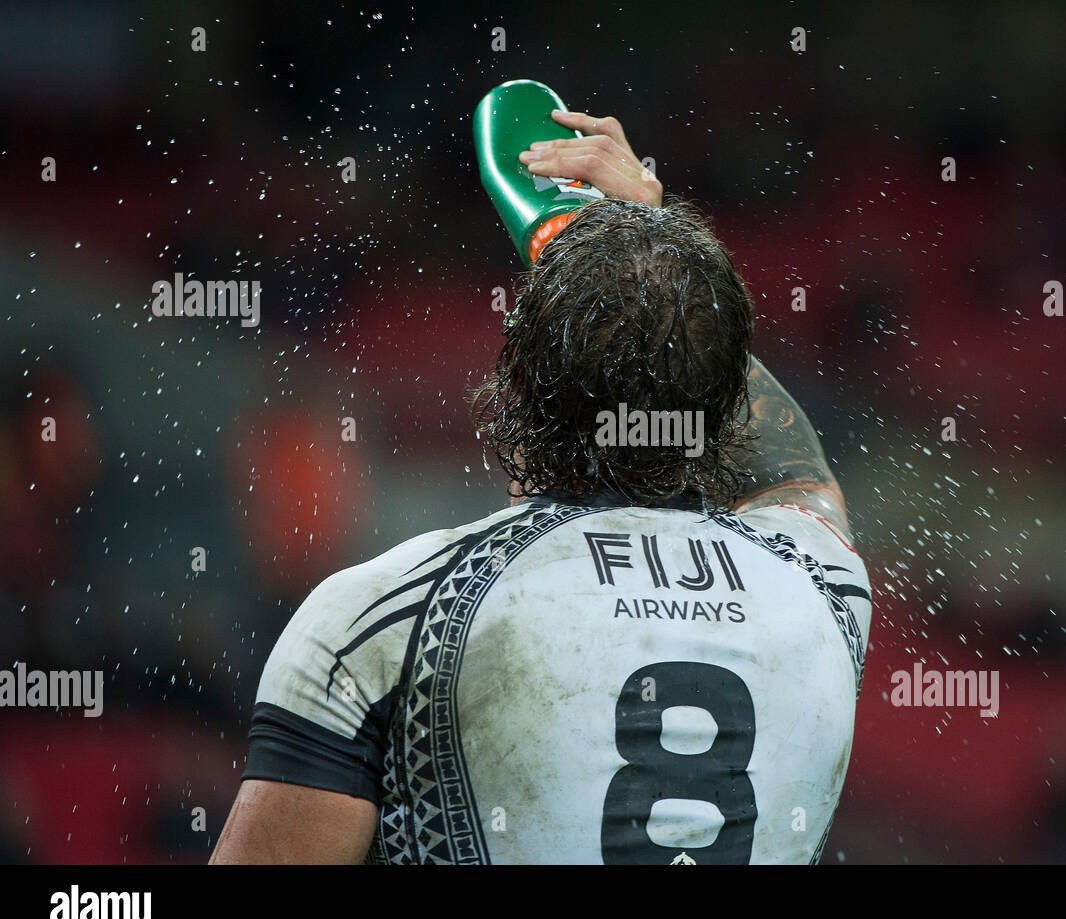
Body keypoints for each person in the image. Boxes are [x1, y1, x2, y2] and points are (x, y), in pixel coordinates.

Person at [210, 110, 870, 864]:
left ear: (514, 387)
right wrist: (653, 257)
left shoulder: (377, 620)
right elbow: (792, 469)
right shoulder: (821, 589)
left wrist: (609, 264)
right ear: (718, 406)